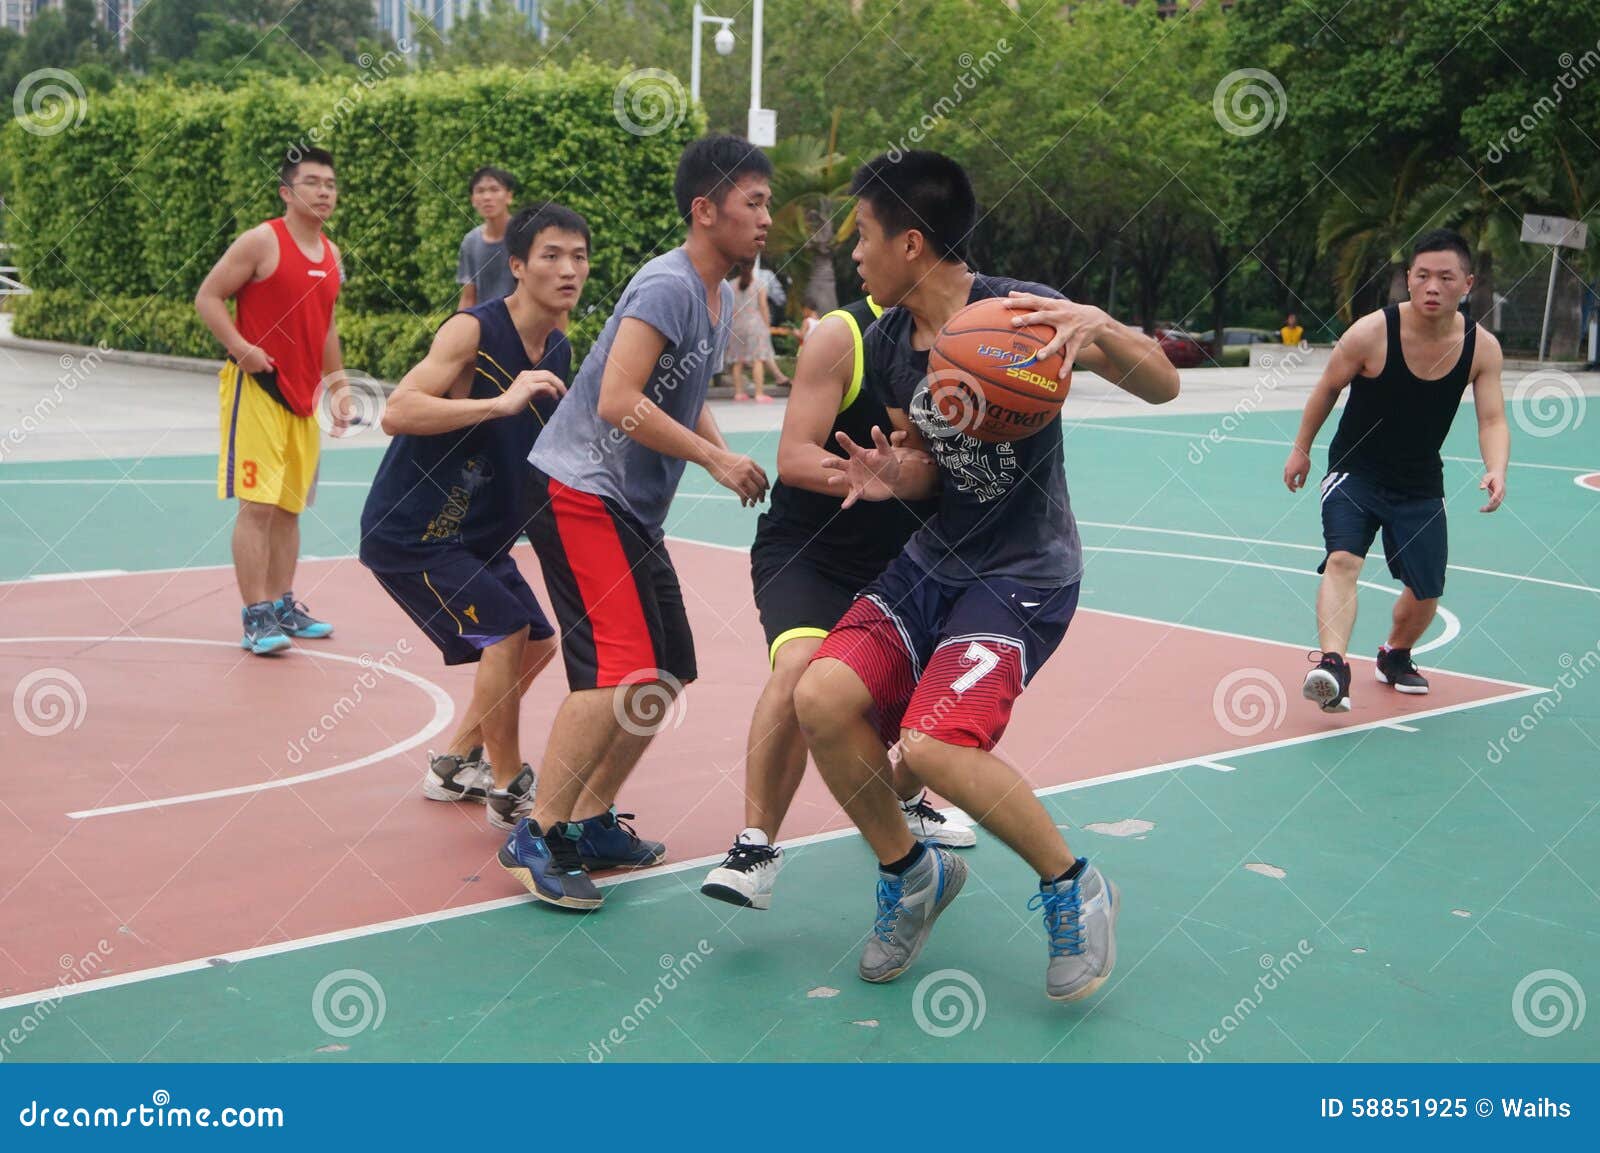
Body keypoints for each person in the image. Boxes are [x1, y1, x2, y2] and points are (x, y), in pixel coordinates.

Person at [791, 150, 1179, 1002]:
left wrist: (1100, 325)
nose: (854, 255)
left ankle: (1074, 883)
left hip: (1024, 571)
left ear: (913, 243)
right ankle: (912, 872)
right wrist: (892, 475)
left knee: (930, 744)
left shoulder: (1026, 315)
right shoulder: (891, 340)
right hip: (936, 560)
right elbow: (929, 465)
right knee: (819, 697)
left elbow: (1165, 385)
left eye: (863, 237)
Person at [500, 135, 773, 910]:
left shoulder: (718, 295)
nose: (765, 219)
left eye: (766, 204)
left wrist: (720, 454)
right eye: (752, 203)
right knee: (620, 667)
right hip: (582, 488)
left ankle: (587, 821)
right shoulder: (667, 285)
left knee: (666, 669)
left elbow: (681, 393)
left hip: (629, 507)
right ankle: (536, 831)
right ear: (705, 209)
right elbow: (621, 400)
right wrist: (716, 464)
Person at [699, 290, 976, 912]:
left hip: (909, 558)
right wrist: (865, 475)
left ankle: (905, 800)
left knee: (941, 695)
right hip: (812, 551)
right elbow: (793, 456)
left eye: (867, 236)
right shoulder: (843, 334)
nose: (856, 254)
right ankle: (754, 849)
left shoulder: (973, 332)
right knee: (802, 670)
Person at [359, 203, 589, 829]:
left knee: (539, 644)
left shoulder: (561, 348)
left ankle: (457, 761)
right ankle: (509, 786)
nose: (568, 269)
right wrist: (499, 403)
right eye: (551, 255)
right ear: (516, 265)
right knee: (506, 633)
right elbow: (398, 411)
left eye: (579, 256)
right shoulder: (473, 331)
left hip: (478, 538)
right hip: (415, 532)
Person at [1284, 229, 1507, 712]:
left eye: (1445, 278)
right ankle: (1333, 666)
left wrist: (1496, 468)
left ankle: (1394, 654)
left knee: (1426, 589)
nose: (1432, 287)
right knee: (1344, 560)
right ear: (1408, 279)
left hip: (1419, 481)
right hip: (1355, 471)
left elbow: (1491, 419)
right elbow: (1326, 389)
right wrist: (1301, 448)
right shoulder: (1370, 332)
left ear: (1466, 284)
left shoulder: (1481, 347)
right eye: (1422, 276)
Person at [196, 147, 347, 656]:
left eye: (330, 182)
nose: (324, 191)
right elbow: (208, 297)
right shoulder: (262, 240)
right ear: (287, 192)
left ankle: (282, 604)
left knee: (290, 509)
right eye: (312, 182)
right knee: (258, 506)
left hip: (303, 397)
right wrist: (241, 349)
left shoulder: (331, 255)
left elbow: (325, 326)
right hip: (257, 388)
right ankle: (255, 615)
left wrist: (339, 384)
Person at [457, 167, 519, 310]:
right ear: (473, 200)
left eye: (494, 189)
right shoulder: (470, 242)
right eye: (480, 191)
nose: (487, 197)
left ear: (509, 196)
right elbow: (468, 297)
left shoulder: (525, 234)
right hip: (485, 325)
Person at [726, 262, 780, 401]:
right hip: (755, 325)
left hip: (737, 326)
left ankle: (738, 393)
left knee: (737, 360)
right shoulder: (759, 284)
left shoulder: (730, 285)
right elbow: (763, 307)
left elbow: (729, 308)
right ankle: (759, 393)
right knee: (758, 360)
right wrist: (767, 325)